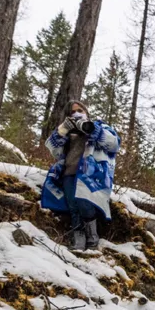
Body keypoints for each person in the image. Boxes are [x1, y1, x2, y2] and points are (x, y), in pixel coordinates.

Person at [40, 101, 121, 251]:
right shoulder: (68, 133)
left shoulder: (99, 127)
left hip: (90, 175)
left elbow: (114, 144)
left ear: (86, 111)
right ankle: (78, 237)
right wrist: (63, 129)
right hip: (69, 173)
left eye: (80, 110)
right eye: (72, 112)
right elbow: (54, 150)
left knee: (86, 204)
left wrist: (93, 130)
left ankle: (92, 235)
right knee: (73, 206)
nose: (77, 114)